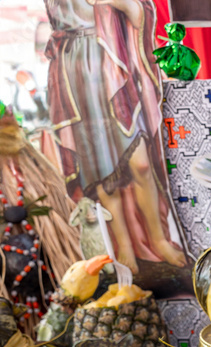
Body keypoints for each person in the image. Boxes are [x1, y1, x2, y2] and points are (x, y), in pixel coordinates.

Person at [44, 0, 188, 273]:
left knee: (141, 164)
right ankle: (123, 245)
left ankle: (159, 238)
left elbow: (140, 12)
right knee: (100, 171)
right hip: (74, 74)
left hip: (113, 67)